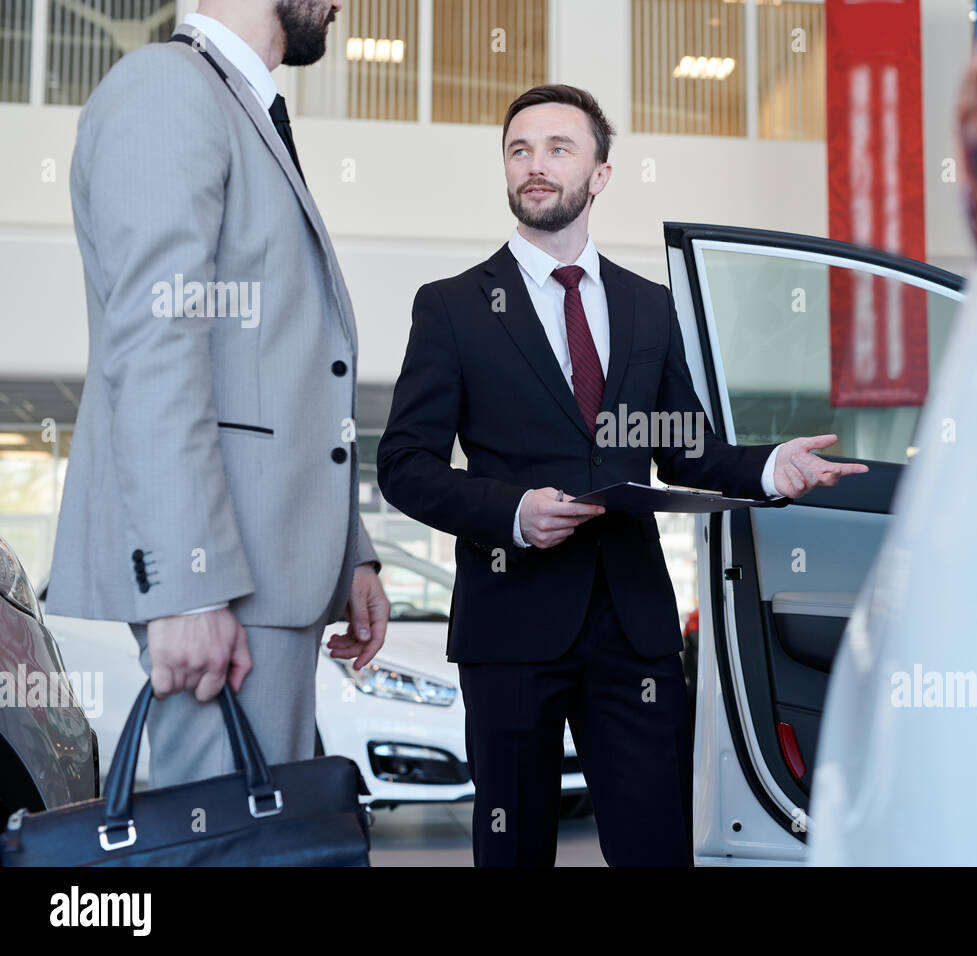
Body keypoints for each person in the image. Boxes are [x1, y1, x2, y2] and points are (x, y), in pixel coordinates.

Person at [377, 84, 866, 866]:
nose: (535, 167)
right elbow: (402, 466)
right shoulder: (453, 308)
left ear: (601, 174)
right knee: (514, 852)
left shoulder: (647, 308)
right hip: (511, 625)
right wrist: (512, 512)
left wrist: (774, 466)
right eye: (519, 150)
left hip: (632, 630)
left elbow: (686, 450)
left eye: (558, 150)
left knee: (656, 849)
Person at [45, 0, 389, 789]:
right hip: (222, 580)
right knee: (232, 841)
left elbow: (277, 372)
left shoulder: (238, 104)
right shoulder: (167, 90)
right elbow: (158, 351)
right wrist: (185, 589)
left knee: (259, 834)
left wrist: (351, 553)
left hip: (268, 572)